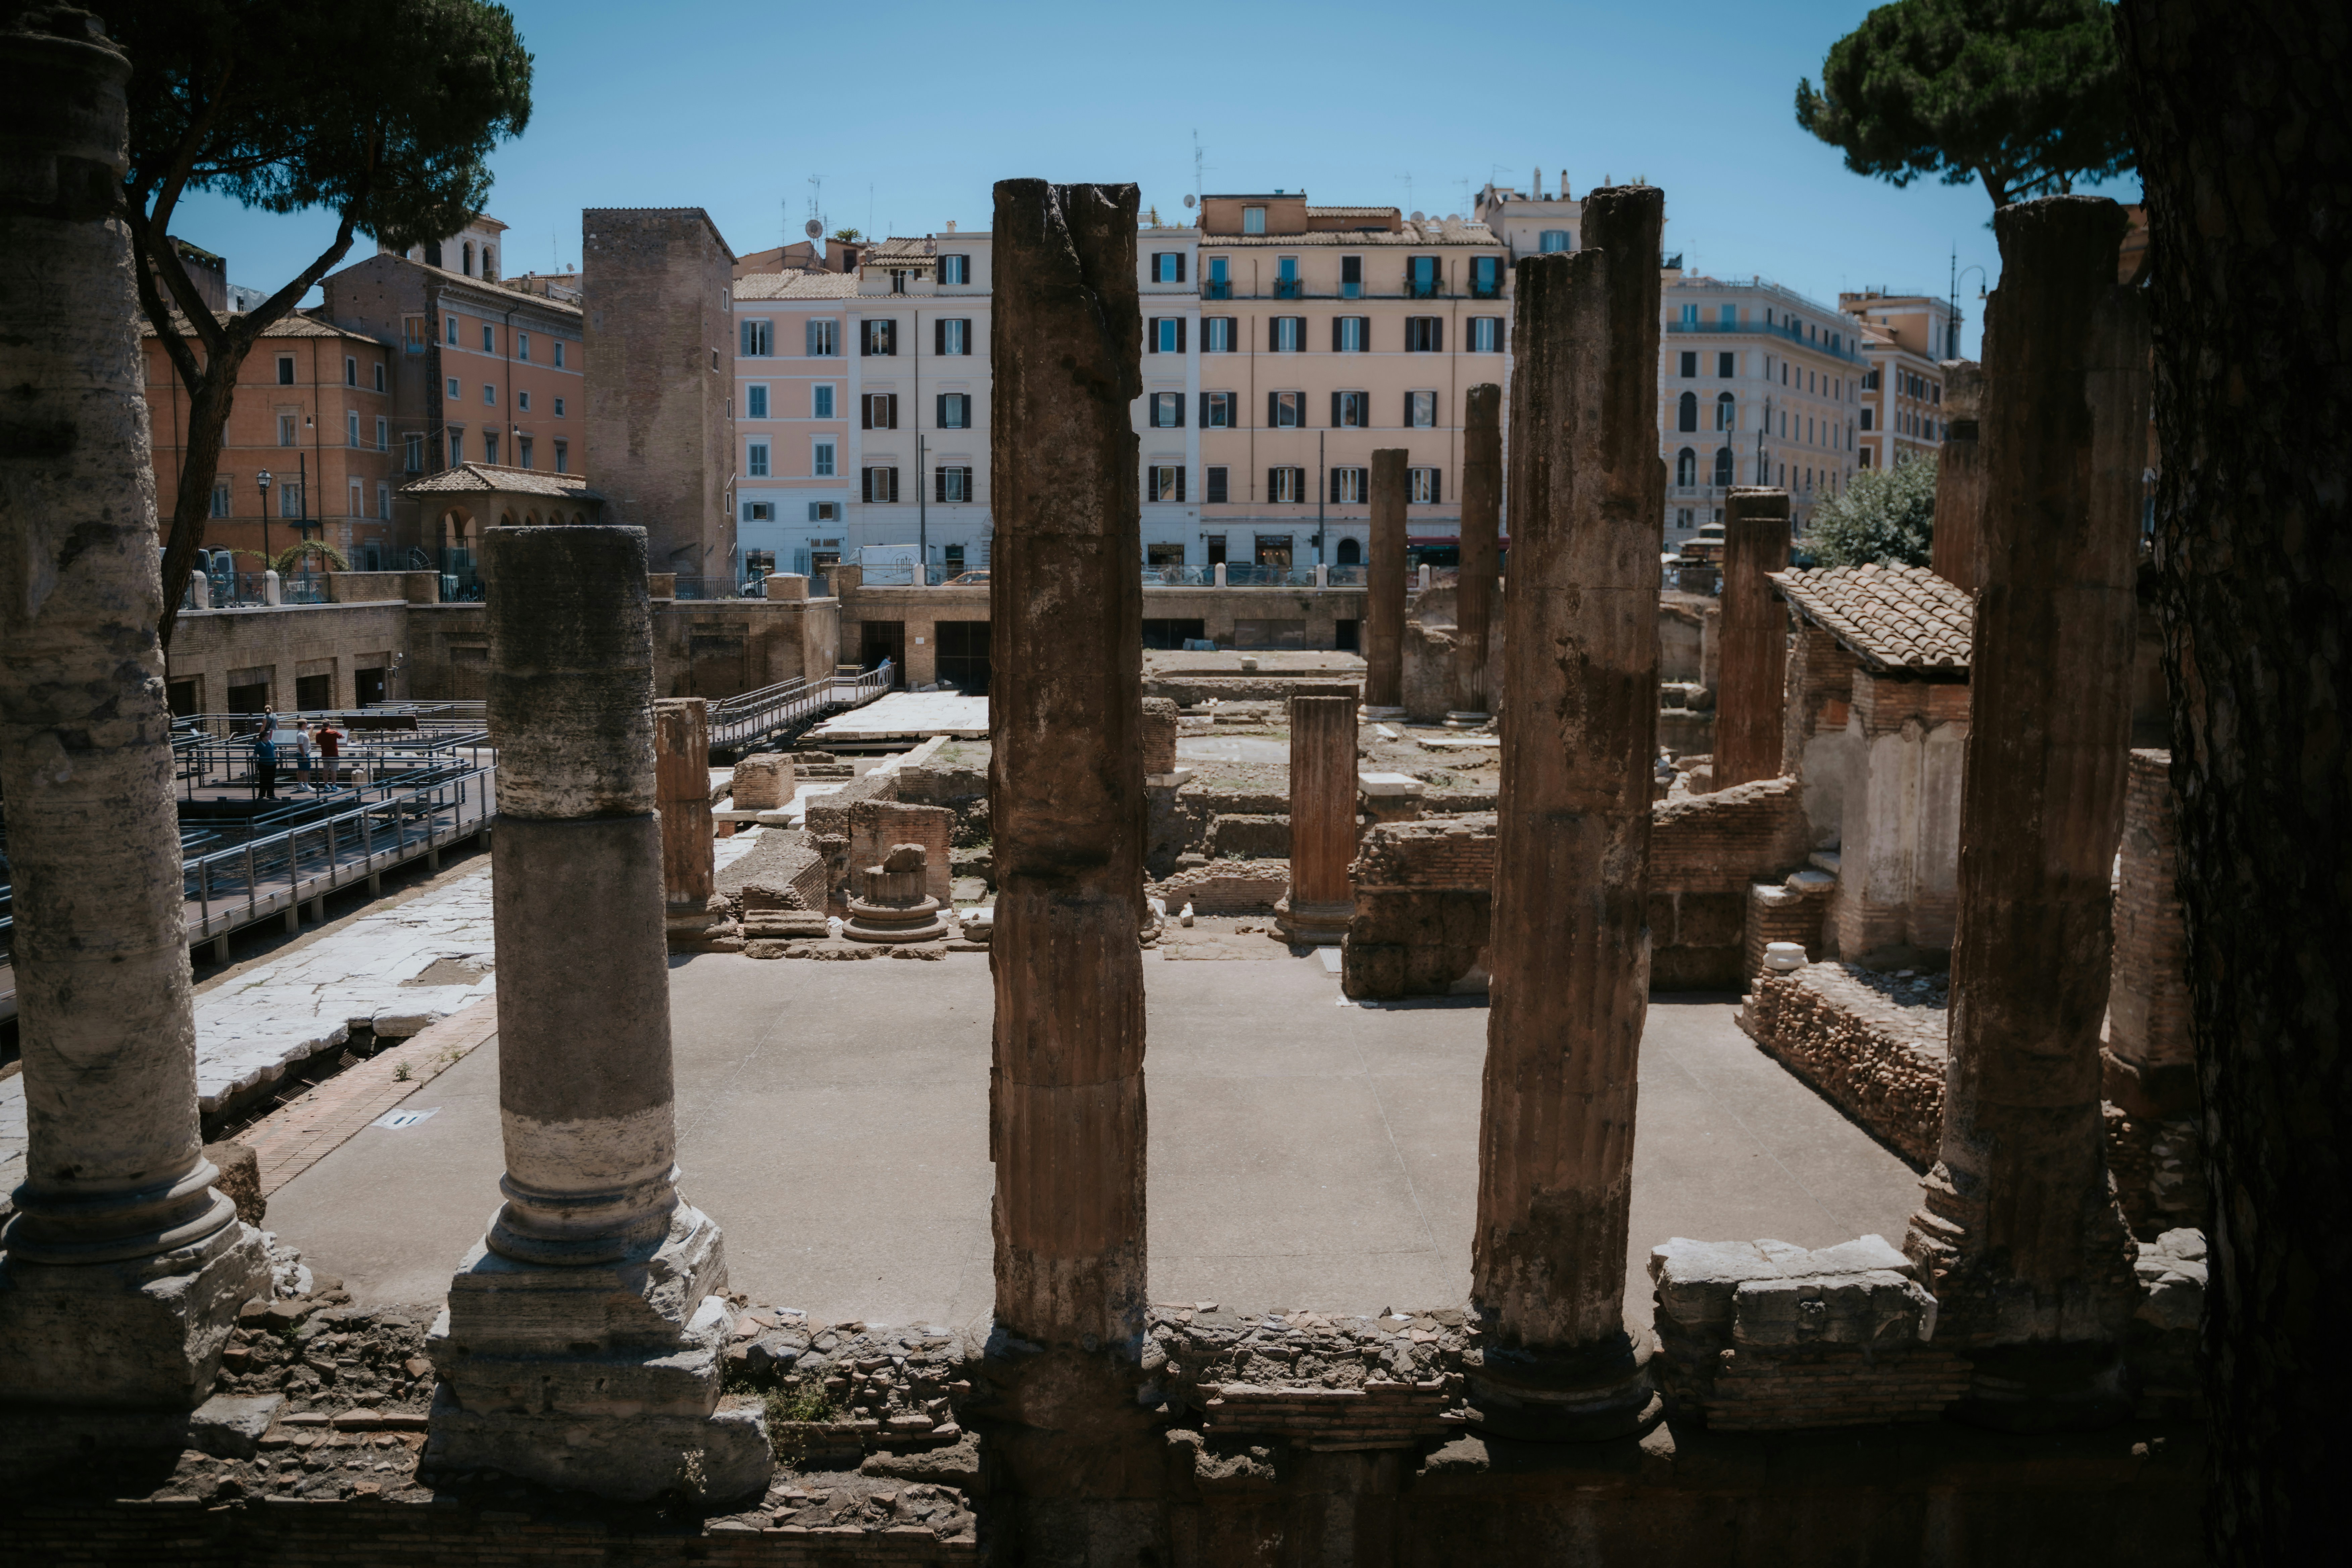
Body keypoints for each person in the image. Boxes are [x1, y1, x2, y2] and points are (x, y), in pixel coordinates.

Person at [312, 719, 342, 792]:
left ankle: (326, 786)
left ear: (322, 725)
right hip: (334, 755)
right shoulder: (333, 732)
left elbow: (318, 744)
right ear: (330, 725)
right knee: (334, 771)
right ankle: (334, 786)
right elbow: (343, 737)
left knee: (325, 770)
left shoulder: (319, 733)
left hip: (325, 755)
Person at [251, 724, 278, 800]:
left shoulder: (272, 743)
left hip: (272, 764)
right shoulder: (259, 745)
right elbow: (255, 755)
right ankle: (261, 795)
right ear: (263, 738)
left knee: (272, 780)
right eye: (267, 736)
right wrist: (251, 758)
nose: (269, 737)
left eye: (269, 735)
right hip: (263, 764)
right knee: (263, 780)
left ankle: (271, 795)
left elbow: (274, 751)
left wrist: (277, 759)